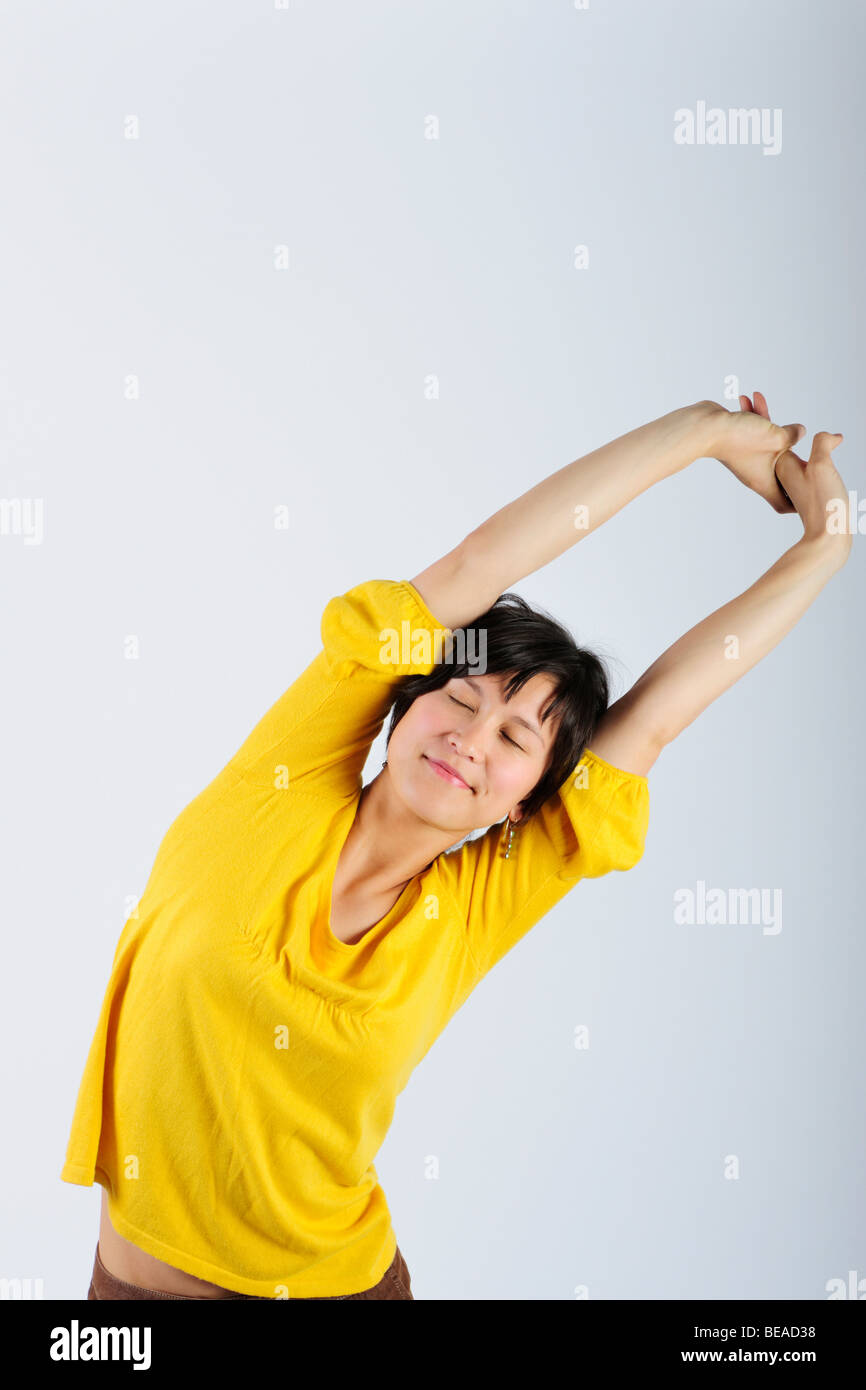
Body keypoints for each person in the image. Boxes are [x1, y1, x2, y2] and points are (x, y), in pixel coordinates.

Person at [62, 391, 851, 1300]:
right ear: (404, 702)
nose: (473, 740)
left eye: (517, 740)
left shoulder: (483, 900)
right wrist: (706, 433)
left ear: (528, 802)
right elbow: (478, 561)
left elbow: (661, 714)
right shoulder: (279, 781)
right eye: (463, 698)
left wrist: (826, 544)